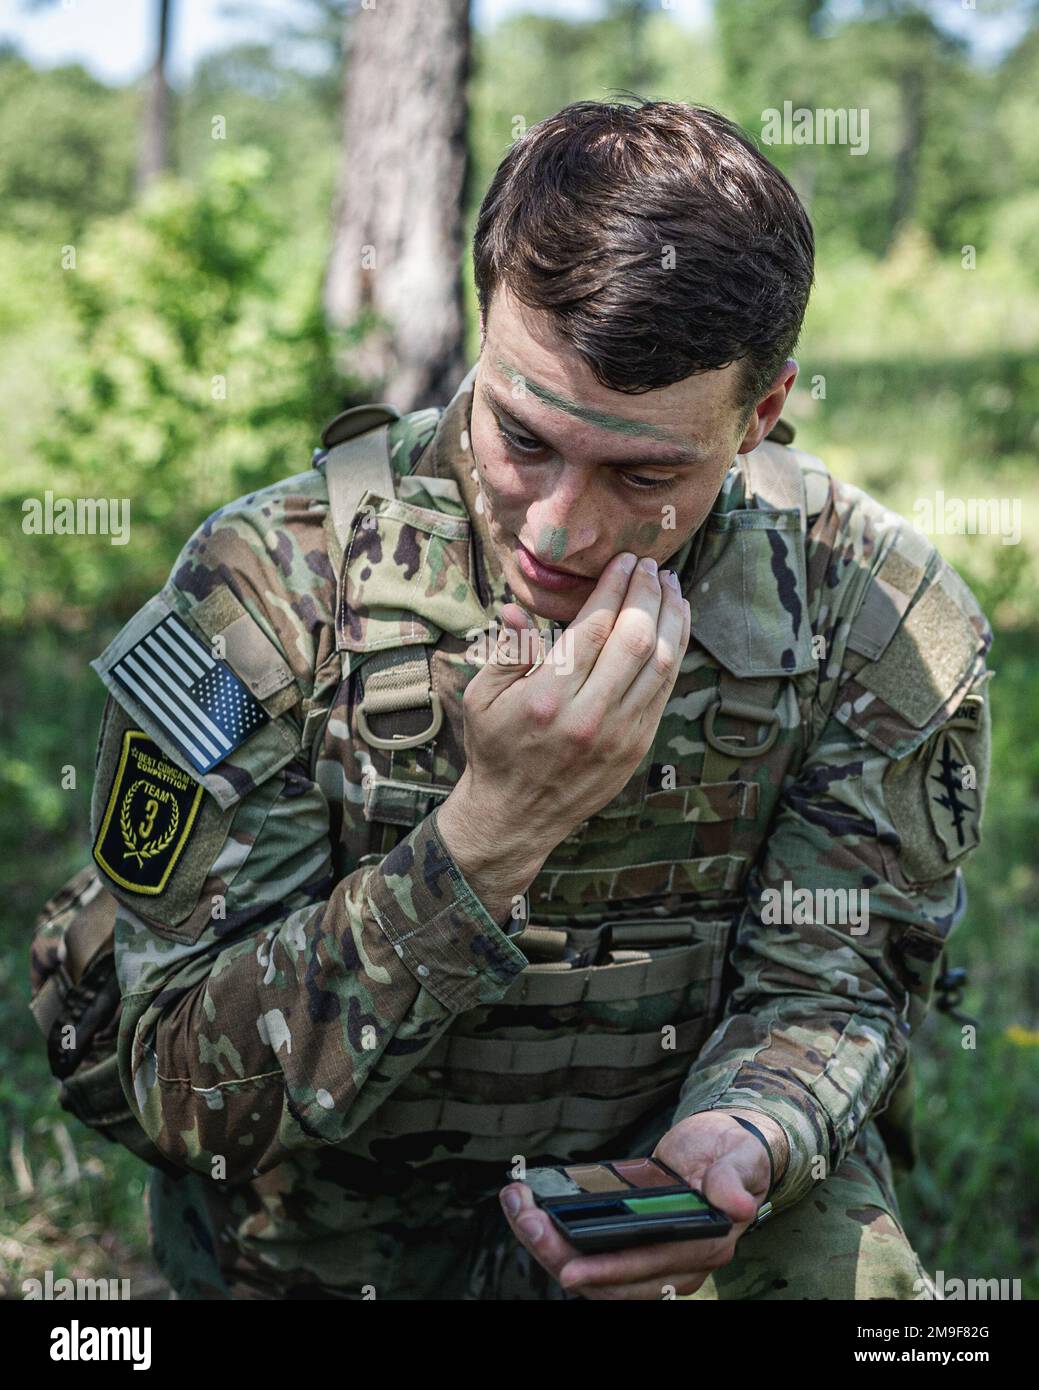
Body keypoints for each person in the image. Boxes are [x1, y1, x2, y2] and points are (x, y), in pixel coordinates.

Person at [86, 100, 991, 1300]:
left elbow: (838, 979)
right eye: (520, 434)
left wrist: (744, 1143)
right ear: (479, 337)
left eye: (646, 473)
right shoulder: (262, 590)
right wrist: (488, 835)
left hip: (670, 1198)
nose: (561, 526)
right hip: (328, 1219)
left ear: (761, 414)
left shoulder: (868, 613)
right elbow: (171, 1081)